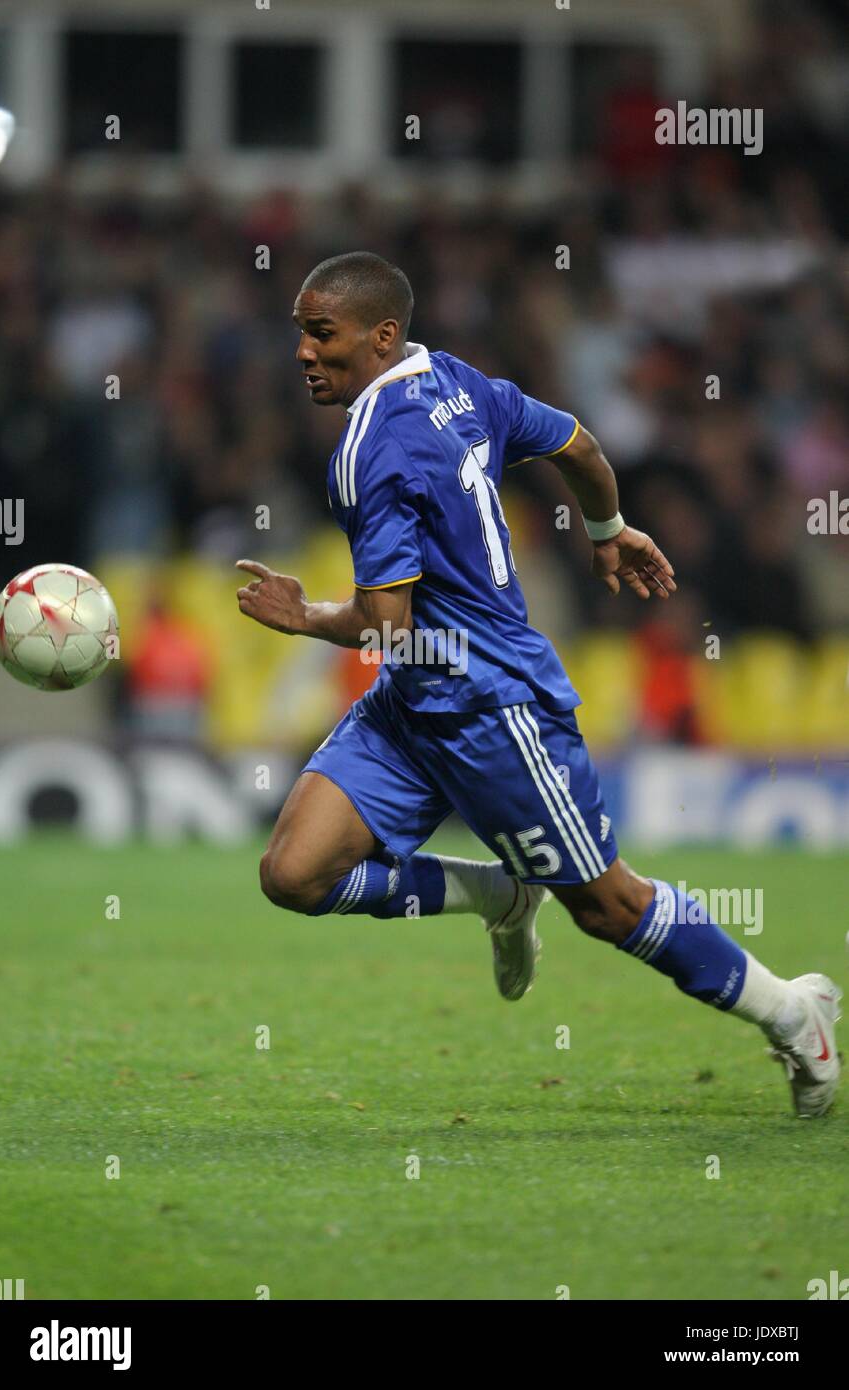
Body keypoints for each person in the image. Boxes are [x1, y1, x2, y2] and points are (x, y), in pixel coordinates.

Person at [236, 252, 840, 1118]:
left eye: (319, 332)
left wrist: (306, 618)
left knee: (606, 906)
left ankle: (791, 1009)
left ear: (380, 335)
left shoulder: (369, 451)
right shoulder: (458, 381)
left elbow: (386, 627)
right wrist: (609, 529)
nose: (301, 349)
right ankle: (496, 889)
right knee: (294, 874)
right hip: (414, 701)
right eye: (298, 329)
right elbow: (580, 445)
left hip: (490, 709)